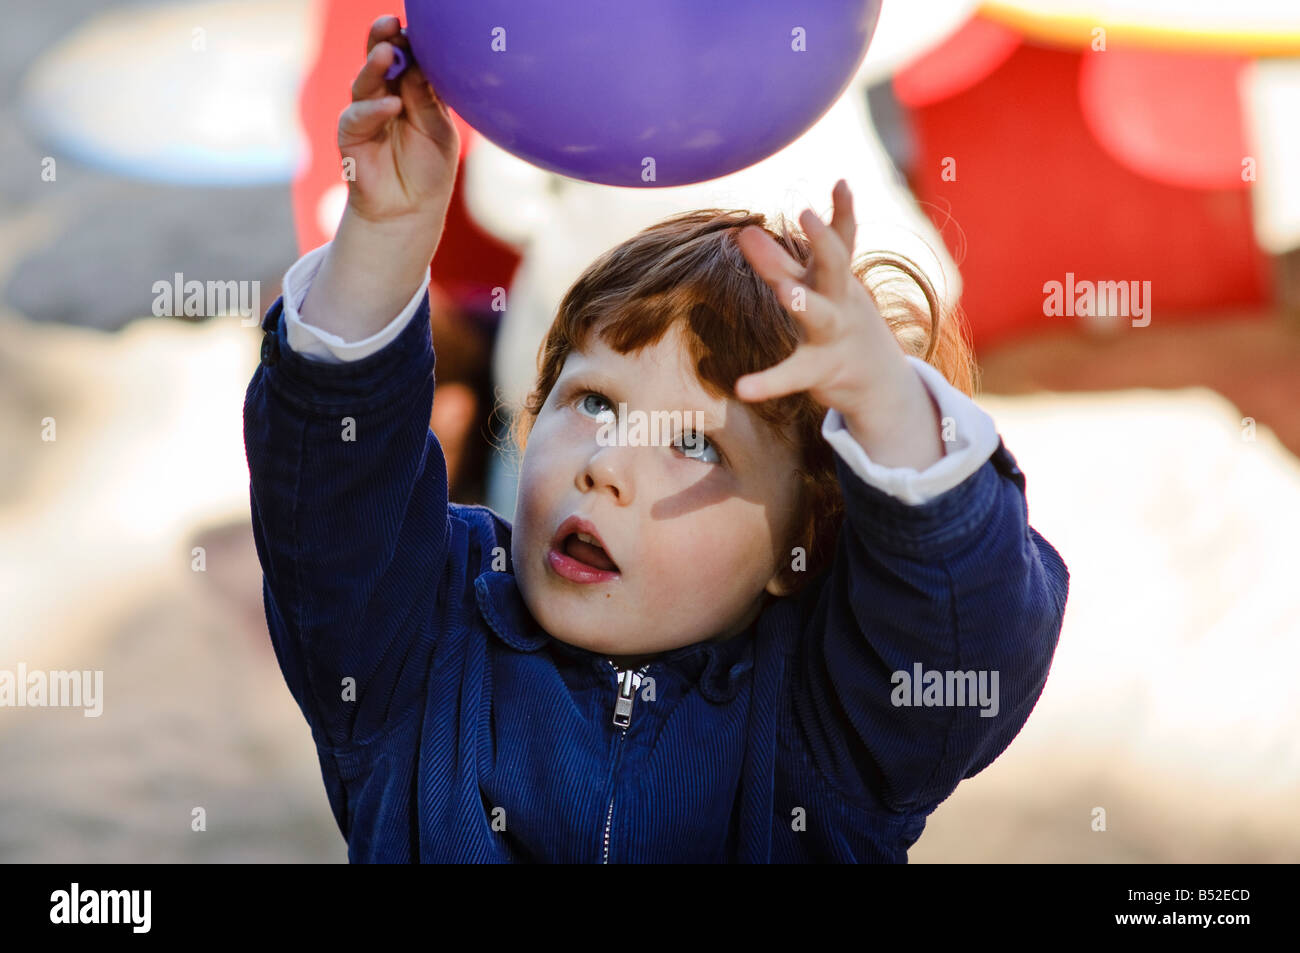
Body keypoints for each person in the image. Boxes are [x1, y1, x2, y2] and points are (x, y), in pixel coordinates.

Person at [243, 15, 1069, 862]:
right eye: (595, 400)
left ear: (804, 538)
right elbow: (330, 499)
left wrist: (889, 409)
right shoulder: (412, 644)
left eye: (697, 444)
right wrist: (383, 239)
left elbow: (976, 640)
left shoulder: (833, 724)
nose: (606, 466)